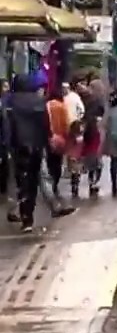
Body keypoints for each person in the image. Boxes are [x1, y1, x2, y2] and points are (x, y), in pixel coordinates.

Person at [6, 74, 51, 231]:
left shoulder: (10, 101)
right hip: (36, 145)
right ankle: (29, 215)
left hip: (17, 146)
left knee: (19, 180)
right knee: (32, 181)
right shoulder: (39, 101)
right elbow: (46, 124)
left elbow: (7, 124)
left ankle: (23, 214)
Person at [45, 86, 69, 194]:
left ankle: (50, 179)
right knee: (58, 161)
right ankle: (55, 181)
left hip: (48, 136)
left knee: (50, 160)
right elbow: (66, 124)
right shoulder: (62, 106)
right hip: (60, 137)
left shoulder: (46, 105)